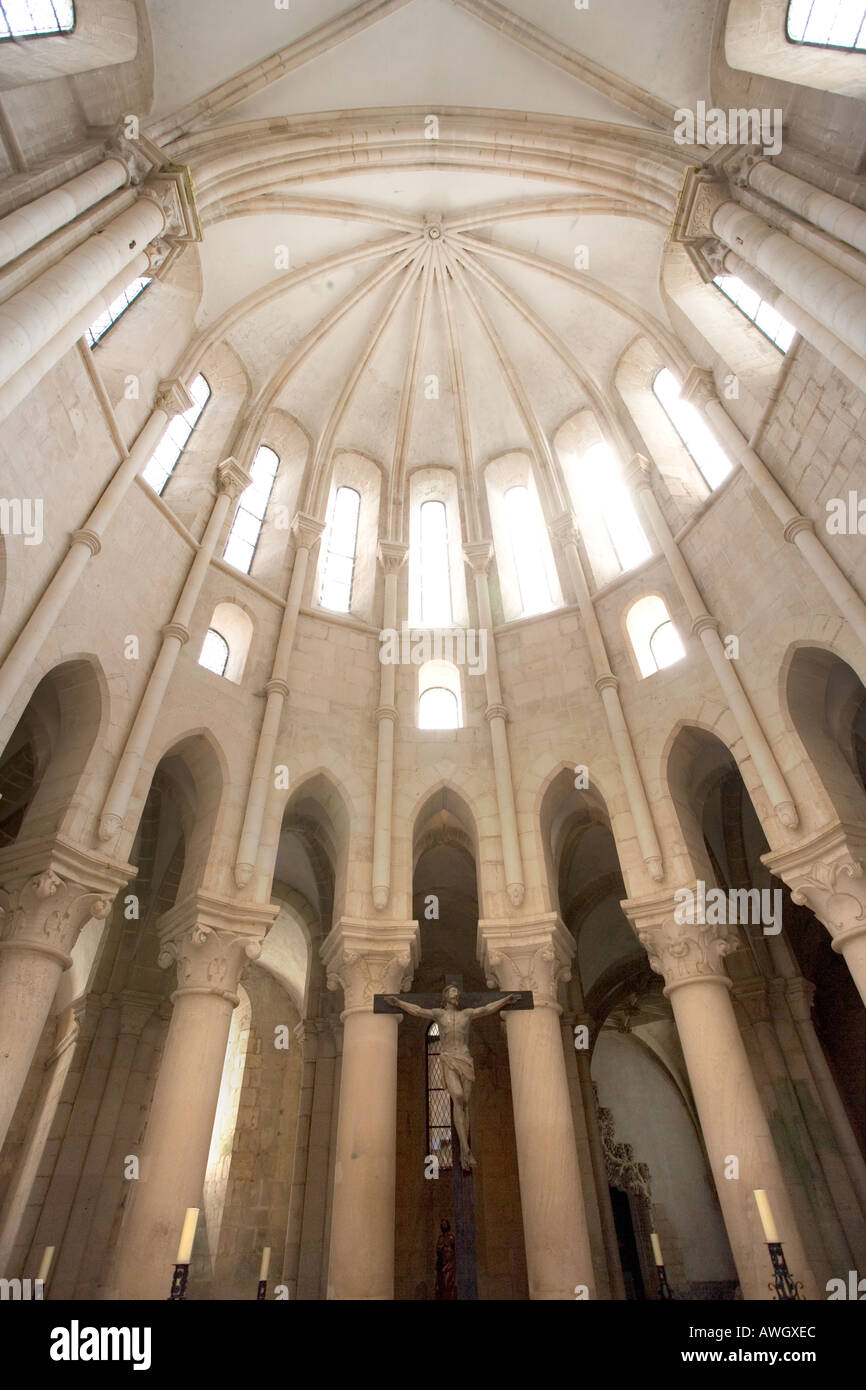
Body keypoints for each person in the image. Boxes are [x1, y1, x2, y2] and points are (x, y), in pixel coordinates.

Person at [383, 984, 518, 1170]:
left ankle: (465, 1149)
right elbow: (418, 1010)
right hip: (448, 1059)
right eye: (453, 993)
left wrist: (505, 1000)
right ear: (446, 996)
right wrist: (399, 1003)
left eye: (457, 993)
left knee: (462, 1106)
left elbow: (486, 1009)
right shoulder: (439, 1014)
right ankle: (465, 1148)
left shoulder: (467, 1014)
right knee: (459, 1096)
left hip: (465, 1059)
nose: (456, 995)